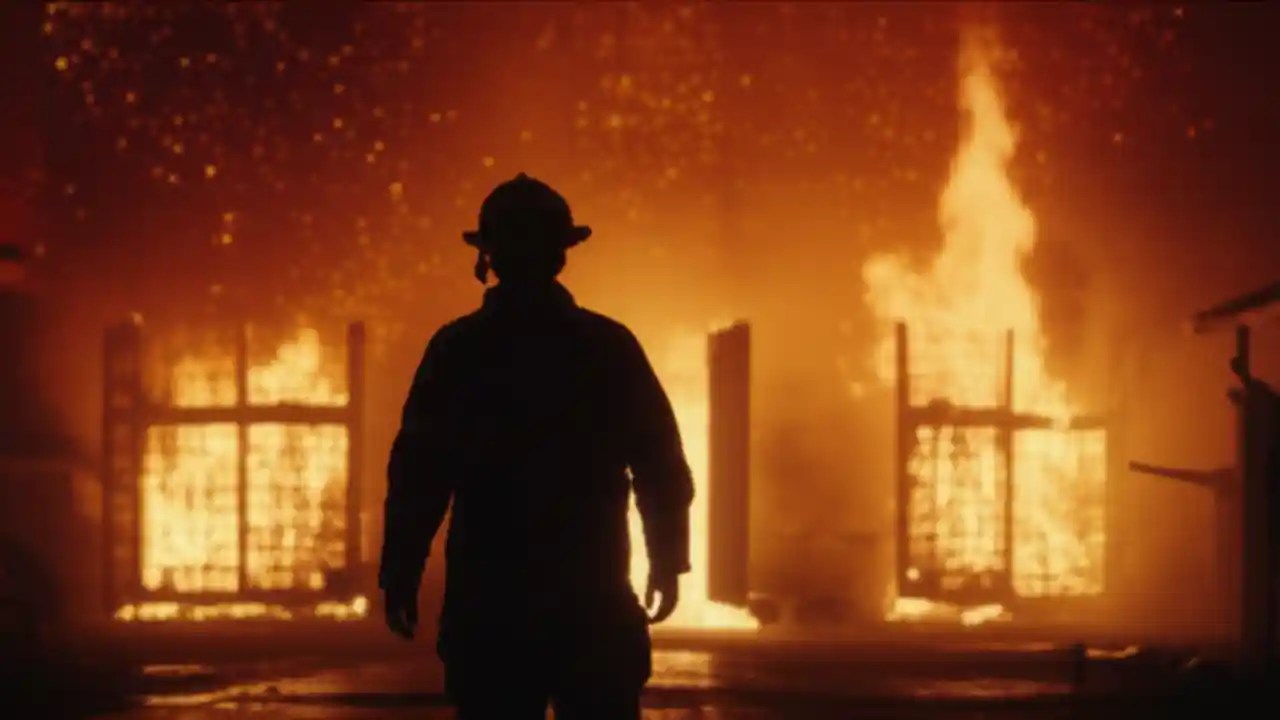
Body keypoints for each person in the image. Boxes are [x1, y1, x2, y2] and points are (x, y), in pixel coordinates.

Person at [379, 173, 695, 719]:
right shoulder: (606, 347)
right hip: (590, 602)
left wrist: (401, 570)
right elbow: (659, 465)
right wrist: (666, 559)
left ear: (488, 257)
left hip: (491, 609)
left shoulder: (458, 350)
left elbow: (419, 476)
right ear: (562, 255)